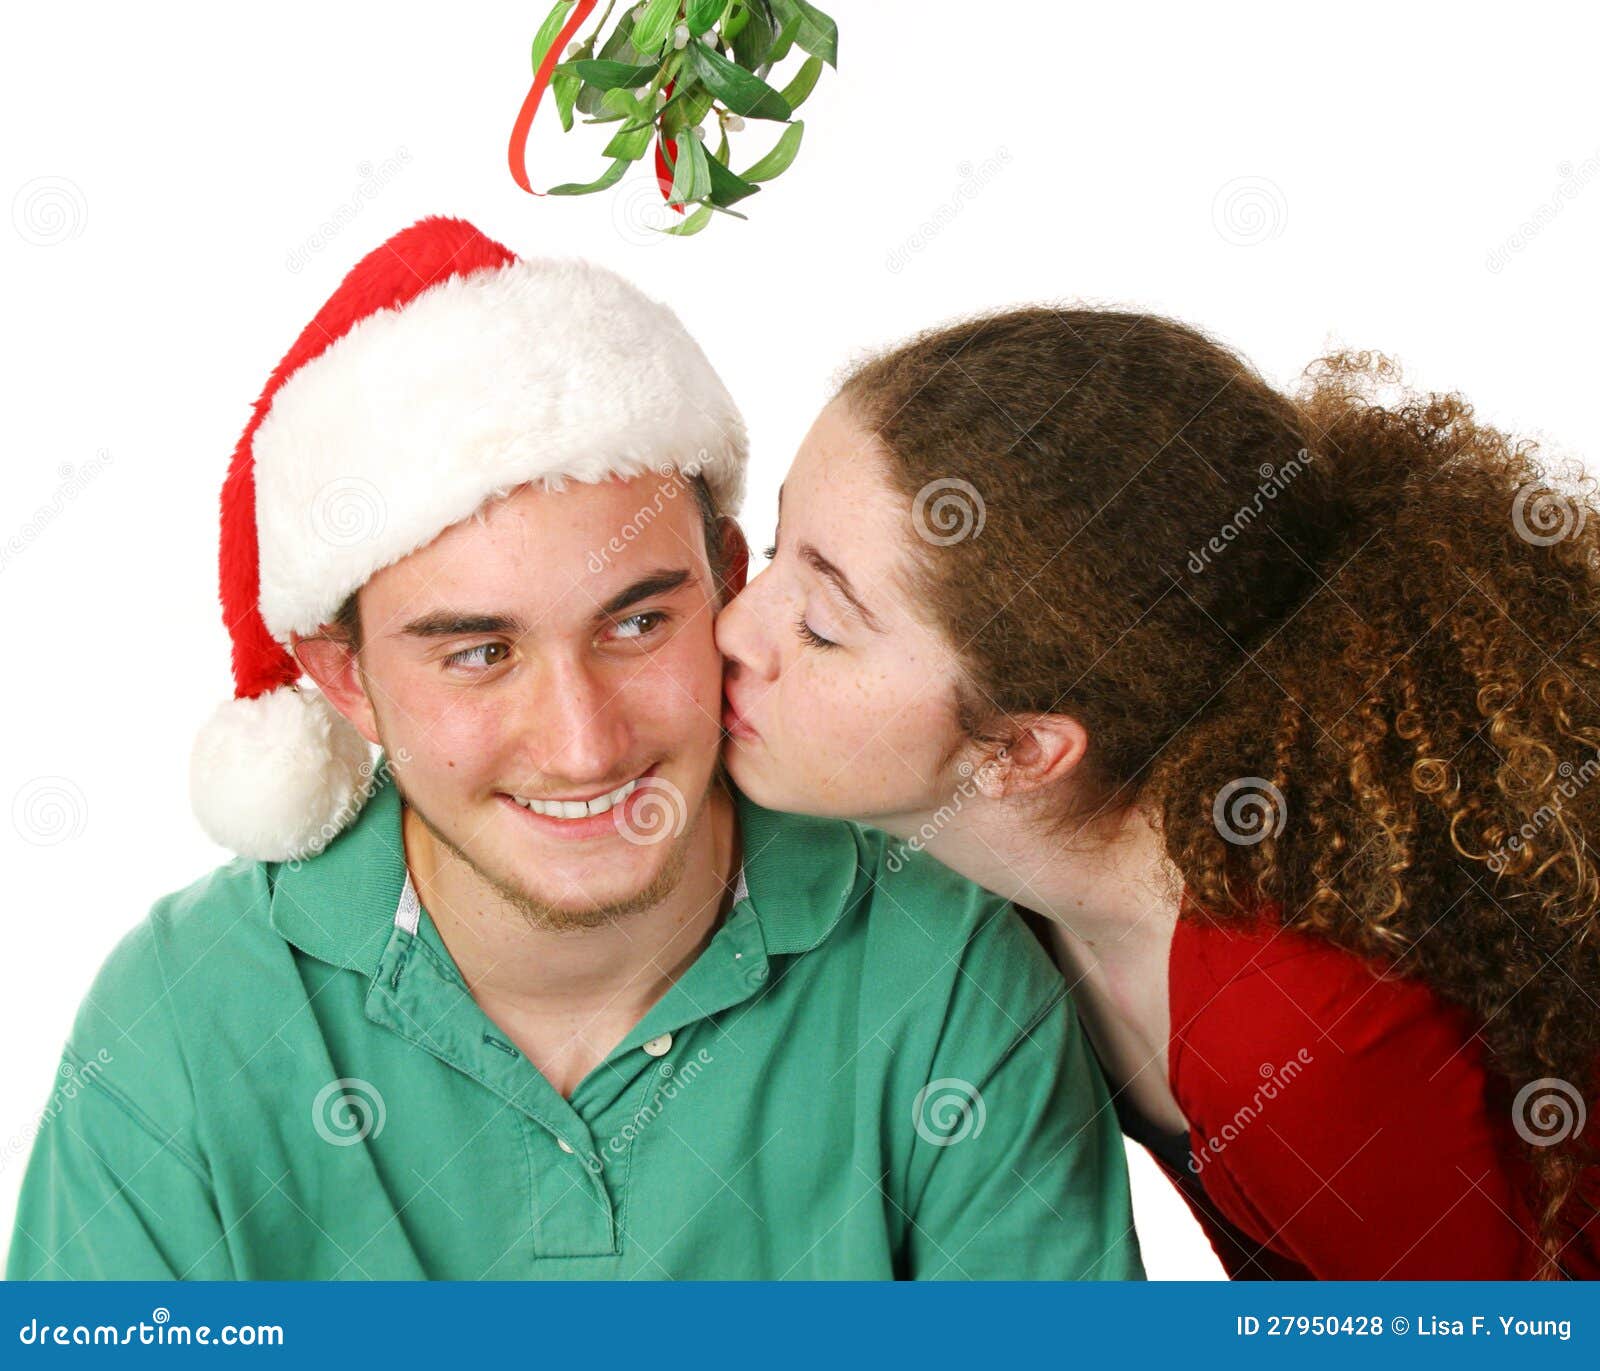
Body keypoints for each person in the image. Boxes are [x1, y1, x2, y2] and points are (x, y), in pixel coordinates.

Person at [5, 220, 1142, 1283]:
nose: (585, 743)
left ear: (729, 584)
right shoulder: (183, 1016)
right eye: (477, 653)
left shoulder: (943, 966)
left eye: (637, 623)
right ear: (344, 677)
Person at [715, 306, 1600, 1279]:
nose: (733, 631)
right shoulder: (1001, 867)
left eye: (823, 628)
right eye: (770, 551)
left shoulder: (1299, 1032)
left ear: (1021, 748)